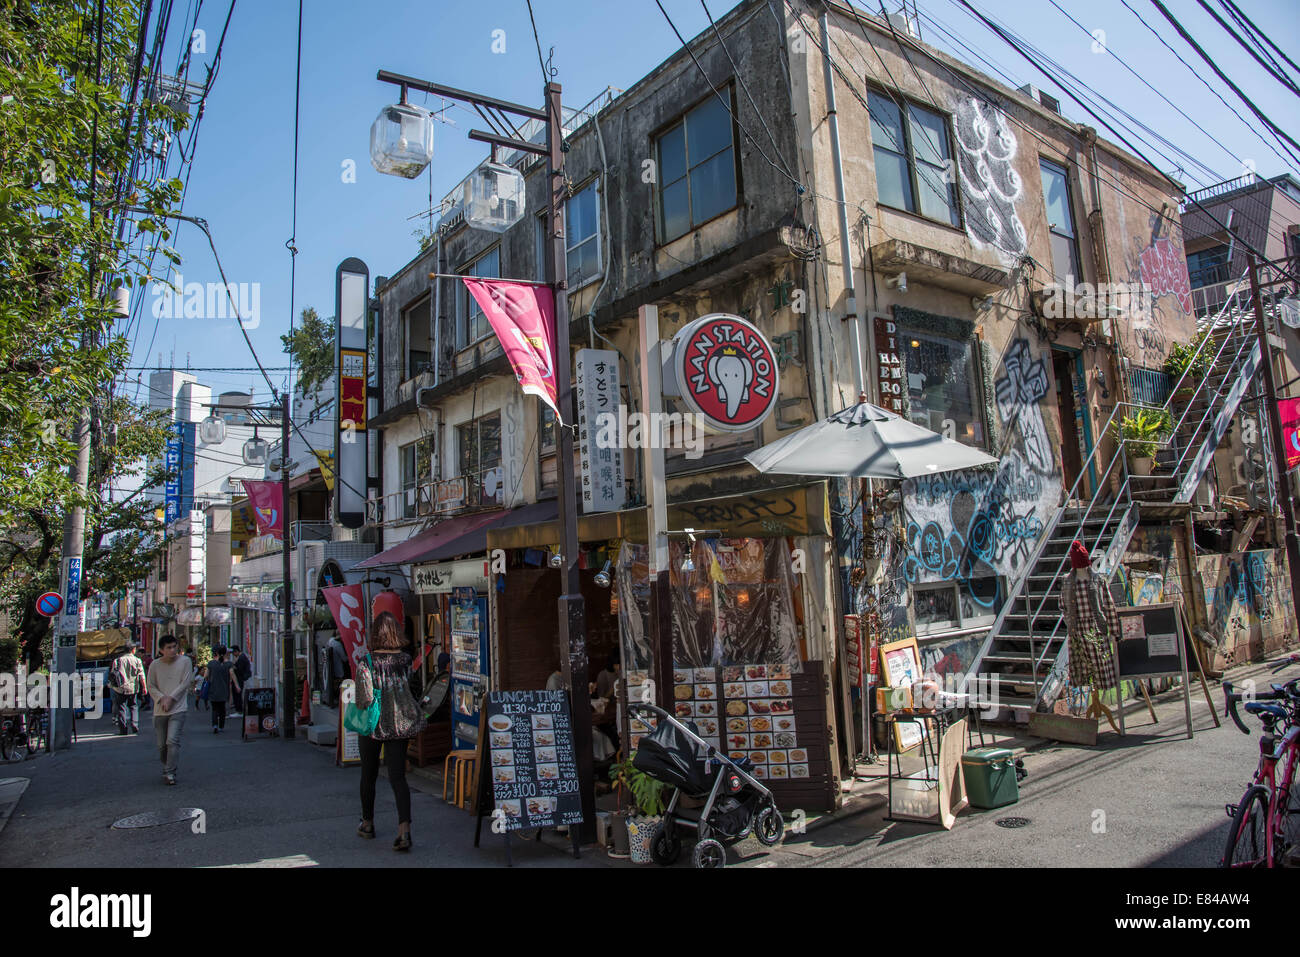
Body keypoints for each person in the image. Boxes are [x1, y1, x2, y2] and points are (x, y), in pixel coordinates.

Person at [356, 611, 426, 852]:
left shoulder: (367, 661)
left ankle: (367, 823)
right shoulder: (406, 660)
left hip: (373, 725)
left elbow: (363, 699)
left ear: (375, 634)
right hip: (401, 724)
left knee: (369, 774)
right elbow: (416, 688)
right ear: (397, 632)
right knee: (398, 777)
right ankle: (404, 829)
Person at [146, 635, 193, 786]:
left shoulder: (185, 661)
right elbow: (151, 685)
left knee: (172, 740)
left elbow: (185, 683)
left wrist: (171, 698)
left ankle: (170, 772)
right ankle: (167, 766)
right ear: (161, 650)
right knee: (161, 745)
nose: (173, 650)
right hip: (160, 710)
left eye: (174, 646)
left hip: (178, 708)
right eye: (169, 648)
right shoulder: (155, 665)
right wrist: (161, 698)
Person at [108, 641, 146, 735]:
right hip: (133, 687)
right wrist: (144, 687)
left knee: (121, 708)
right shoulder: (137, 660)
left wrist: (112, 685)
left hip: (120, 688)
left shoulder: (117, 660)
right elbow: (141, 675)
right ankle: (134, 725)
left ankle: (123, 729)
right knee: (133, 706)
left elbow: (113, 674)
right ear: (133, 650)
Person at [205, 646, 236, 733]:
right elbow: (232, 674)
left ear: (216, 653)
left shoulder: (211, 663)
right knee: (222, 709)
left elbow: (205, 676)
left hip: (213, 689)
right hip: (224, 690)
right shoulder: (228, 664)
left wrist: (209, 679)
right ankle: (221, 726)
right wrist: (237, 686)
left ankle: (215, 725)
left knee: (214, 708)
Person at [229, 645, 252, 715]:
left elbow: (240, 669)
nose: (233, 655)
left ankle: (239, 710)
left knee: (237, 694)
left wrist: (234, 667)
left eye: (233, 653)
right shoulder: (242, 657)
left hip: (239, 678)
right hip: (240, 678)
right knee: (238, 694)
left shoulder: (241, 658)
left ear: (236, 651)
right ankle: (239, 710)